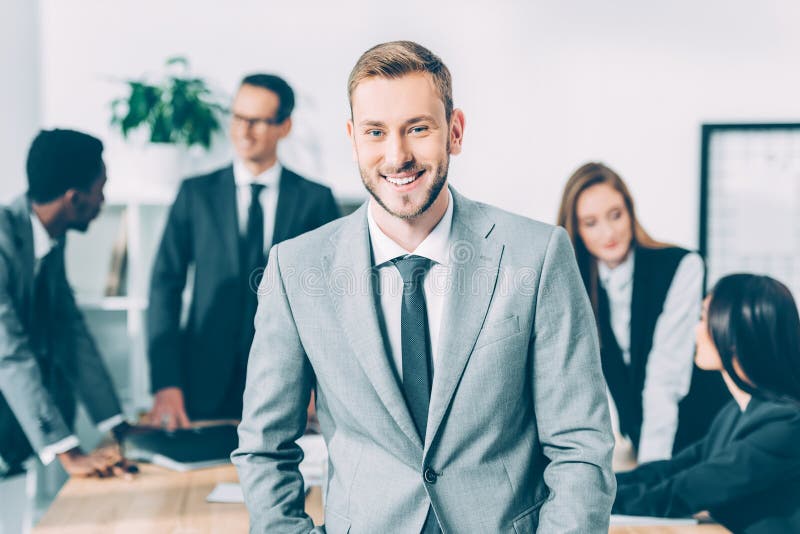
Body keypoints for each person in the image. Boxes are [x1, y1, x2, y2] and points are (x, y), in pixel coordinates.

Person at [233, 41, 615, 533]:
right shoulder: (295, 269)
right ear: (353, 139)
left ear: (454, 131)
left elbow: (581, 447)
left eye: (417, 128)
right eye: (375, 132)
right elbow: (264, 447)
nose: (397, 156)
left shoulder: (537, 255)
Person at [147, 73, 340, 427]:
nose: (243, 131)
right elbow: (164, 287)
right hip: (201, 384)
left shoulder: (315, 200)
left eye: (257, 121)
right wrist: (166, 381)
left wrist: (320, 384)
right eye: (238, 117)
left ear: (284, 126)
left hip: (288, 383)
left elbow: (329, 301)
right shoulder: (195, 194)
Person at [557, 162, 729, 462]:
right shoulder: (575, 284)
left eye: (616, 215)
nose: (608, 232)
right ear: (577, 230)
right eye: (591, 222)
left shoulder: (682, 266)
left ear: (630, 211)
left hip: (704, 437)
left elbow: (665, 377)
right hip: (644, 445)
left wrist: (650, 470)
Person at [613, 274, 800, 533]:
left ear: (731, 333)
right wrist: (592, 483)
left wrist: (591, 497)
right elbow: (669, 471)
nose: (696, 329)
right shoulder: (734, 412)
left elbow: (681, 493)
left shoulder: (786, 426)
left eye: (703, 318)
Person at [0, 129, 136, 479]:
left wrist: (118, 425)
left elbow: (70, 332)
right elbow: (8, 352)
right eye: (100, 189)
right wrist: (68, 452)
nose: (103, 200)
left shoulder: (51, 239)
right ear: (74, 198)